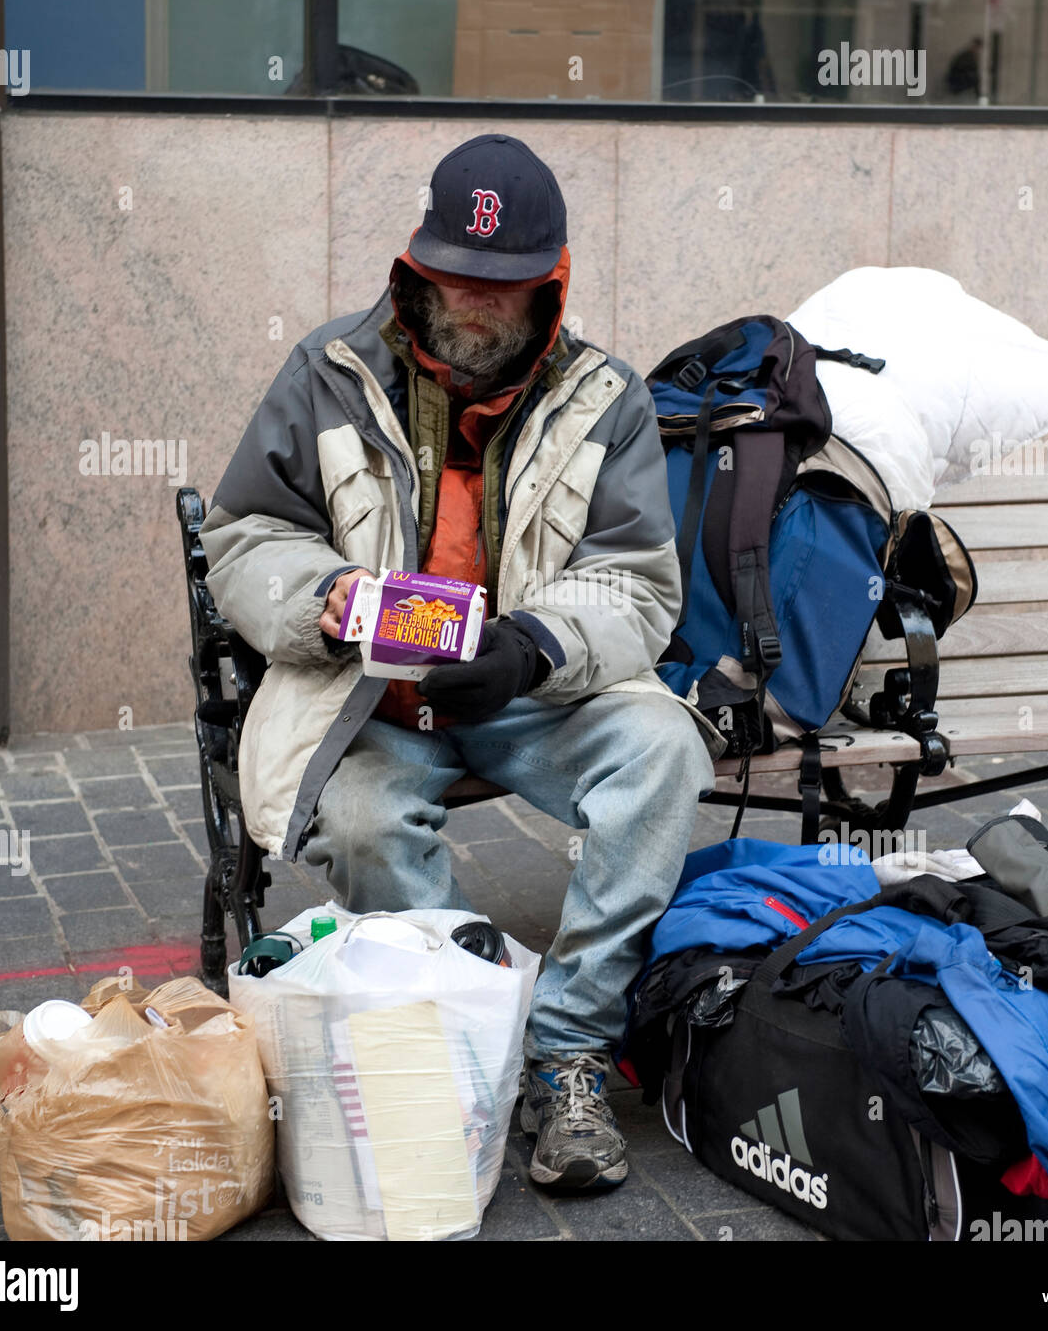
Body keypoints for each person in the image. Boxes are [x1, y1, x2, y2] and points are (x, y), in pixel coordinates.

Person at [201, 133, 722, 1191]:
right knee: (359, 821)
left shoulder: (608, 399)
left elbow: (636, 582)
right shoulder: (328, 370)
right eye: (454, 280)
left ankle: (566, 1053)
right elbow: (243, 536)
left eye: (504, 287)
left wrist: (531, 646)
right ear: (415, 263)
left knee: (664, 750)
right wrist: (331, 599)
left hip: (531, 690)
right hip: (373, 697)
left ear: (554, 285)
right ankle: (449, 1047)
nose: (474, 305)